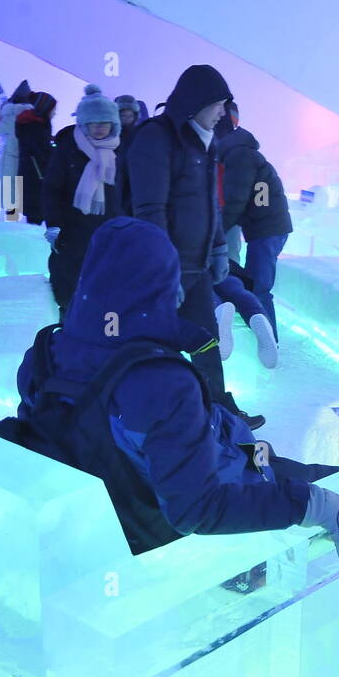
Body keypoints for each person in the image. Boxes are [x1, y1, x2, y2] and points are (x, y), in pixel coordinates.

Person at [0, 217, 339, 596]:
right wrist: (309, 505)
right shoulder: (161, 381)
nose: (180, 295)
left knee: (285, 465)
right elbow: (197, 509)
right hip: (179, 516)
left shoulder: (46, 354)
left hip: (144, 491)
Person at [128, 65, 264, 430]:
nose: (222, 111)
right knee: (160, 348)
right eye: (218, 104)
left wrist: (219, 249)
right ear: (196, 102)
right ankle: (161, 420)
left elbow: (210, 204)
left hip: (197, 269)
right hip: (166, 272)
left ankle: (218, 413)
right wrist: (162, 271)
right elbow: (149, 209)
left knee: (206, 344)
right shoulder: (155, 138)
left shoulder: (204, 141)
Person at [41, 84, 124, 319]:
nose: (100, 128)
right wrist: (54, 225)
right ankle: (68, 332)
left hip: (111, 230)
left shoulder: (120, 151)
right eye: (94, 123)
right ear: (84, 124)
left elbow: (128, 192)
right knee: (71, 287)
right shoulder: (68, 148)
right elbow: (52, 189)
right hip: (73, 231)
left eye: (105, 122)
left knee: (108, 286)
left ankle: (105, 332)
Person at [213, 101, 292, 342]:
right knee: (257, 285)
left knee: (260, 287)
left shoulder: (239, 155)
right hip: (265, 228)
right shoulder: (238, 152)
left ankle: (270, 343)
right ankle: (264, 339)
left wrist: (214, 233)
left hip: (267, 229)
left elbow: (236, 200)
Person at [0, 80, 32, 219]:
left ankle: (13, 224)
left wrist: (1, 111)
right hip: (29, 160)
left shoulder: (12, 116)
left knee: (11, 195)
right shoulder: (35, 116)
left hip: (12, 161)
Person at [14, 91, 57, 226]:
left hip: (32, 175)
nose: (55, 113)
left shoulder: (33, 123)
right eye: (53, 110)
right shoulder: (34, 126)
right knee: (37, 216)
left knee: (36, 216)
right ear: (45, 110)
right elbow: (42, 152)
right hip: (36, 177)